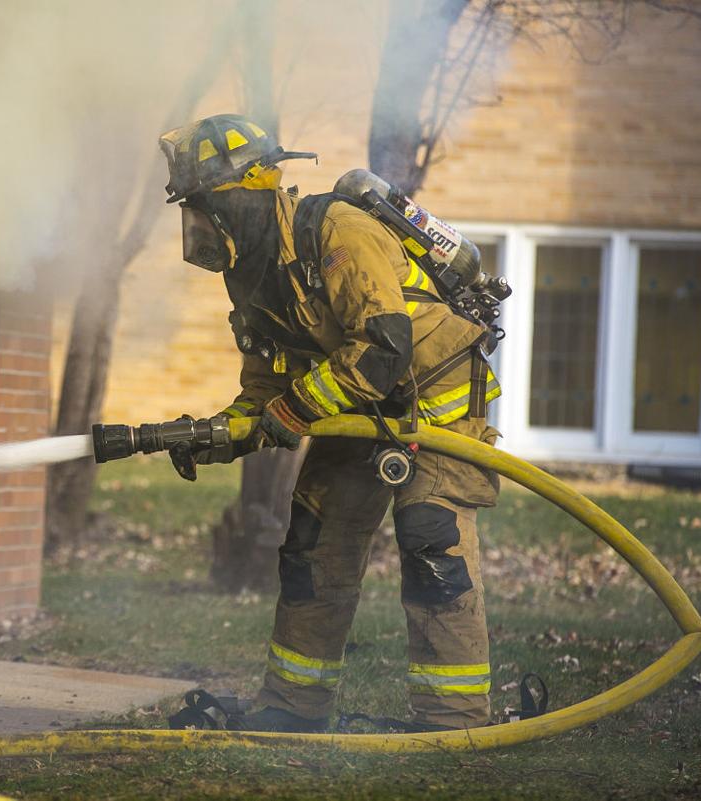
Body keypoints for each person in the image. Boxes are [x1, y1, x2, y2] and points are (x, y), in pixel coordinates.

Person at [159, 114, 502, 732]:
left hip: (435, 407)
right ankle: (293, 708)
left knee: (431, 545)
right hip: (352, 408)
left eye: (204, 206)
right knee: (312, 549)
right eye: (191, 210)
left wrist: (289, 414)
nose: (197, 225)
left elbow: (380, 348)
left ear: (246, 194)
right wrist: (219, 435)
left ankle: (455, 722)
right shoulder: (249, 273)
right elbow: (265, 385)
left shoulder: (339, 232)